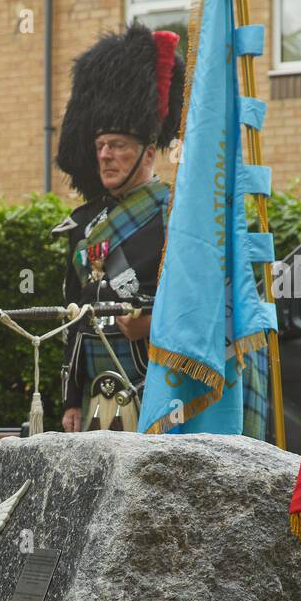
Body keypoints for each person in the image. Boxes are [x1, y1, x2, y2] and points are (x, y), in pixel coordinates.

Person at [53, 23, 185, 433]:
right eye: (100, 147)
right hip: (95, 392)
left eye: (119, 146)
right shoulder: (82, 224)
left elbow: (199, 307)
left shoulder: (174, 214)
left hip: (155, 389)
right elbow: (75, 316)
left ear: (148, 152)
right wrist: (72, 399)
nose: (106, 157)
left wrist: (152, 323)